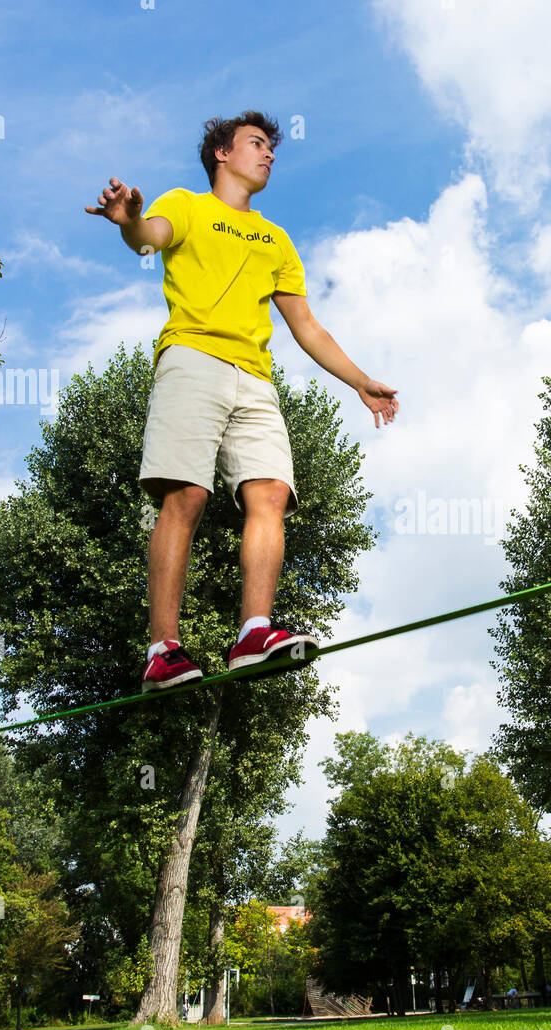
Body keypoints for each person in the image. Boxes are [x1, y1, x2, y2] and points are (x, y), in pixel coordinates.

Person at [86, 111, 399, 691]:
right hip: (193, 360)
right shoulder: (186, 205)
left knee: (271, 492)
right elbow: (147, 237)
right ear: (222, 155)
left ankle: (254, 632)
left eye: (272, 148)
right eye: (257, 144)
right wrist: (127, 220)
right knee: (185, 495)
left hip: (255, 378)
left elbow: (306, 325)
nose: (270, 154)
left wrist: (358, 380)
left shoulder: (277, 240)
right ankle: (163, 649)